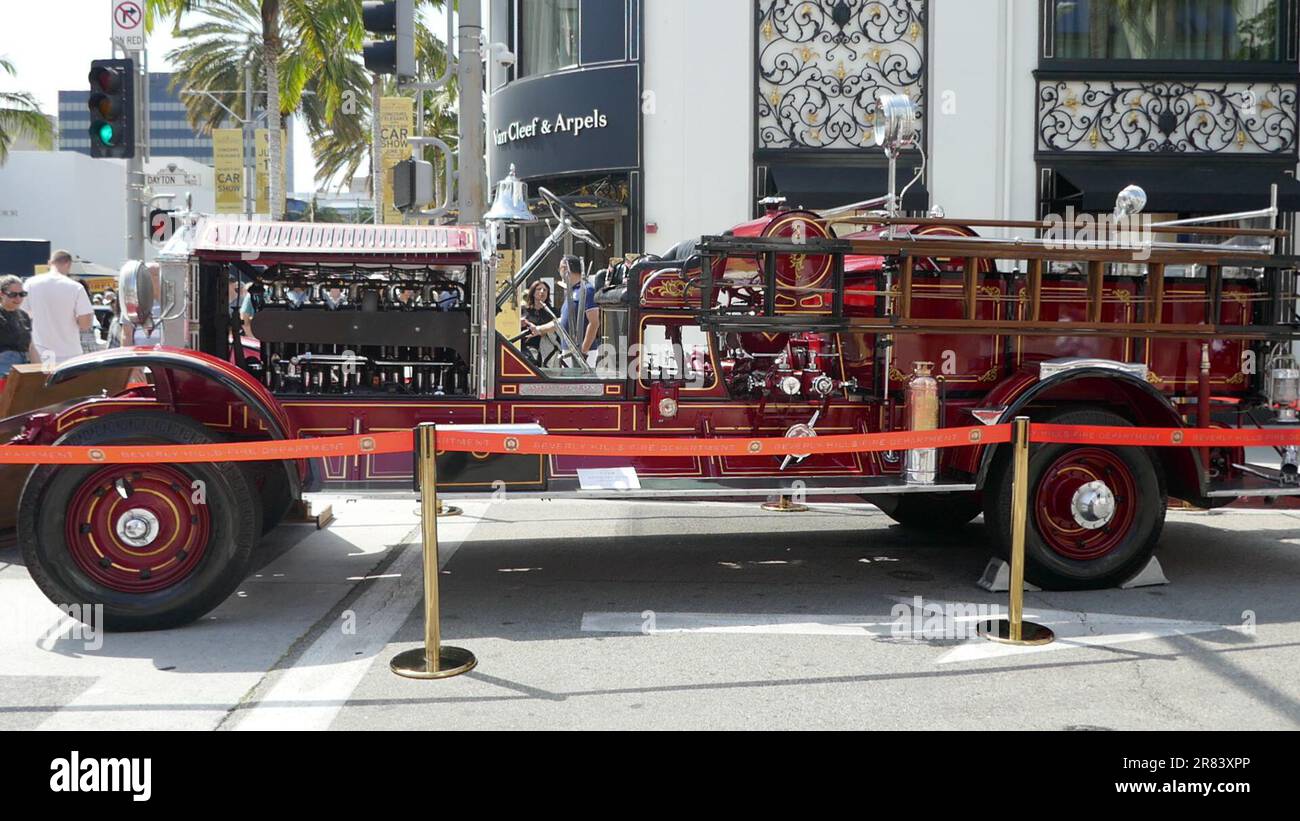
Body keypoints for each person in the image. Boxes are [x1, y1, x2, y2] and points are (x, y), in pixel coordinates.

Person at [526, 255, 600, 368]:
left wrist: (583, 352)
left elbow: (594, 323)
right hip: (568, 351)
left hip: (583, 353)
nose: (559, 272)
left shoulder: (587, 289)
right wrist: (539, 329)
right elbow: (562, 321)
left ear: (566, 269)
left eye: (560, 268)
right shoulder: (571, 291)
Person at [22, 250, 95, 365]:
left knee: (44, 382)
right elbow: (85, 324)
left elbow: (22, 317)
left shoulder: (30, 284)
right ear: (68, 264)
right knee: (69, 383)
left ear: (49, 263)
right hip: (70, 352)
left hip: (41, 352)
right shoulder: (76, 287)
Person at [0, 275, 37, 377]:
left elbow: (31, 347)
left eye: (22, 294)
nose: (18, 298)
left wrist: (39, 369)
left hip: (23, 367)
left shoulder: (24, 316)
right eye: (13, 294)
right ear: (1, 294)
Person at [119, 263, 163, 347]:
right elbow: (126, 334)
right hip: (140, 355)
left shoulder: (172, 302)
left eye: (155, 276)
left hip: (168, 355)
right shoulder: (133, 302)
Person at [520, 280, 553, 365]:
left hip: (548, 351)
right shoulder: (523, 310)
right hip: (527, 351)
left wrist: (541, 330)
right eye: (539, 289)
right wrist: (519, 324)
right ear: (533, 292)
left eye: (545, 290)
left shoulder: (552, 312)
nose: (542, 292)